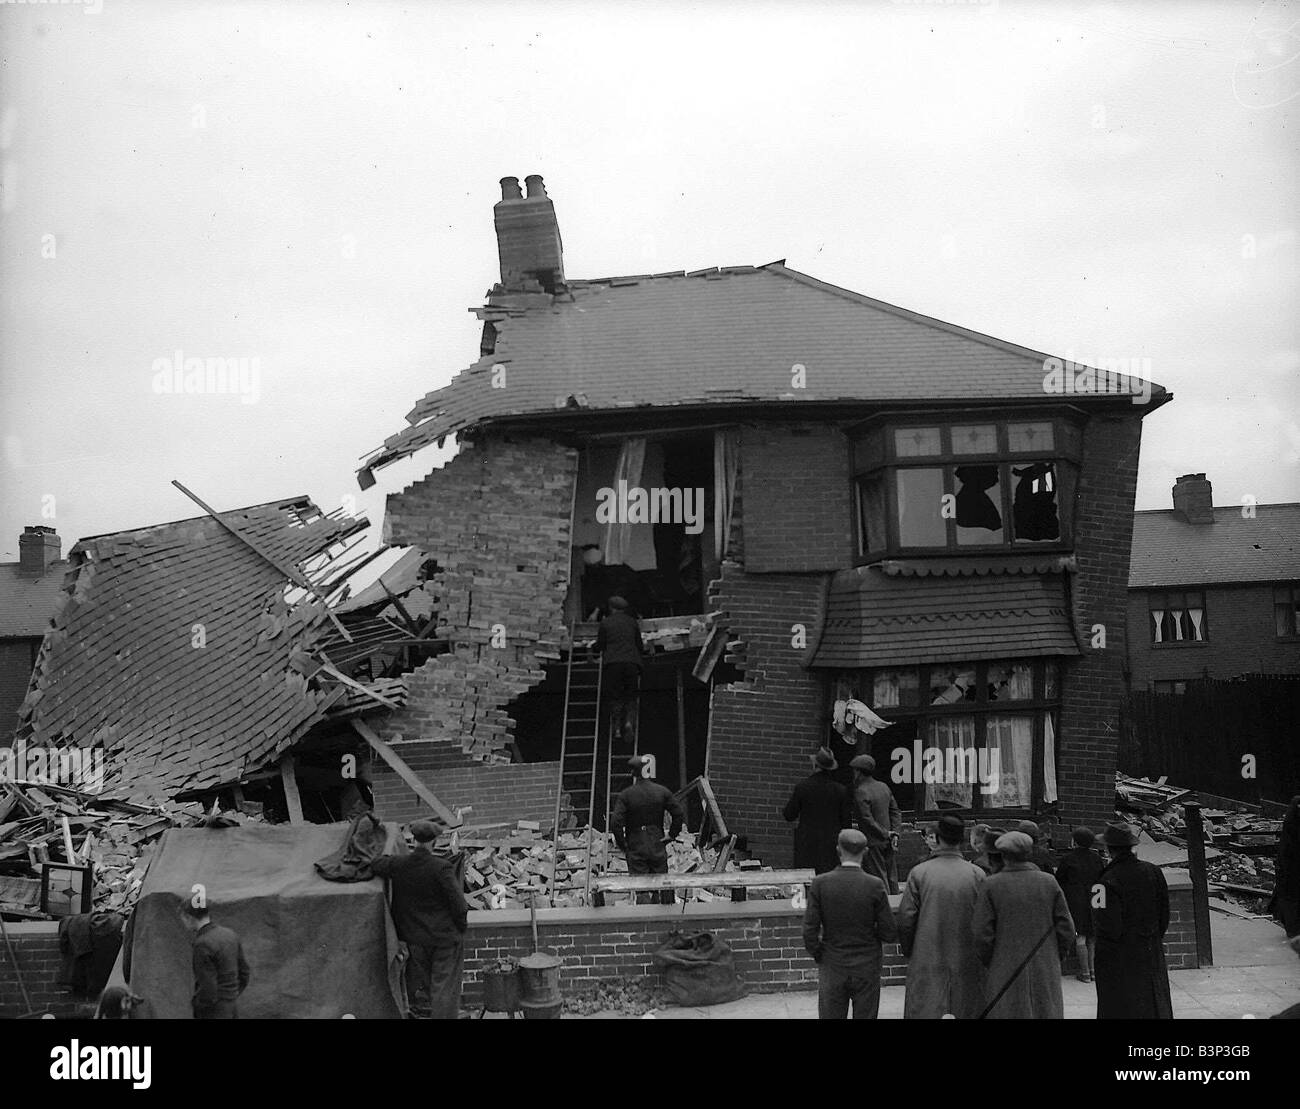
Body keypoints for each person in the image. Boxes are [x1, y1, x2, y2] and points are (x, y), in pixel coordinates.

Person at [372, 818, 469, 1019]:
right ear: (434, 842)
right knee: (444, 991)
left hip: (415, 941)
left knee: (423, 991)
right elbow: (460, 905)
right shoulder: (441, 867)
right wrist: (460, 928)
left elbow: (376, 864)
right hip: (445, 940)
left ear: (413, 839)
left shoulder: (399, 864)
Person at [972, 831, 1075, 1019]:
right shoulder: (1049, 882)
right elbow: (1066, 928)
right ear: (1029, 853)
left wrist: (993, 962)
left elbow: (981, 933)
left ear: (1002, 855)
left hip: (1004, 967)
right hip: (1045, 965)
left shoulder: (991, 885)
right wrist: (1055, 956)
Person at [896, 814, 987, 1019]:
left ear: (937, 838)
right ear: (962, 840)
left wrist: (911, 951)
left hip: (927, 956)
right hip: (967, 958)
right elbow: (985, 922)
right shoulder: (977, 874)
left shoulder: (920, 873)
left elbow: (905, 920)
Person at [802, 828, 899, 1019]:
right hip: (867, 964)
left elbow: (809, 930)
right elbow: (889, 931)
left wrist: (820, 954)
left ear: (838, 849)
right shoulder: (875, 885)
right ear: (866, 852)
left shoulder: (820, 883)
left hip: (832, 962)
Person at [1093, 821, 1173, 1019]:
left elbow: (1104, 925)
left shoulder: (1103, 883)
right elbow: (1164, 914)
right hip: (1150, 949)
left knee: (1119, 1006)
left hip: (1118, 957)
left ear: (1109, 850)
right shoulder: (1154, 871)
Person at [610, 756, 686, 905]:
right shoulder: (661, 792)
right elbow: (678, 814)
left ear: (634, 773)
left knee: (641, 887)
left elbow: (615, 823)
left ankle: (645, 920)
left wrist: (623, 845)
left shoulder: (626, 795)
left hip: (636, 843)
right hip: (657, 841)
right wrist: (671, 835)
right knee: (662, 884)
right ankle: (665, 918)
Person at [782, 747, 853, 874]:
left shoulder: (802, 787)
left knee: (807, 880)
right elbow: (846, 823)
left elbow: (789, 815)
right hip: (832, 845)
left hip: (807, 843)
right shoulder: (840, 790)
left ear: (815, 764)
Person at [182, 901, 250, 1020]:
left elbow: (208, 989)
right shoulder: (230, 935)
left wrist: (198, 1005)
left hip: (212, 1012)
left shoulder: (202, 944)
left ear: (189, 917)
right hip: (231, 1008)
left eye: (183, 919)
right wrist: (230, 996)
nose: (184, 923)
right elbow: (244, 973)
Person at [1055, 826, 1105, 982]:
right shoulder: (1097, 858)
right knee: (1092, 937)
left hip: (1075, 901)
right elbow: (1102, 881)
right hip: (1095, 899)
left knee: (1080, 936)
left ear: (1074, 841)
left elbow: (1059, 880)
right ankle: (1094, 971)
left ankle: (1084, 973)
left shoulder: (1068, 859)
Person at [594, 595, 645, 744]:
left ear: (611, 608)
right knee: (631, 696)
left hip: (613, 664)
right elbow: (640, 646)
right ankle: (629, 723)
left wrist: (592, 647)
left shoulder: (605, 623)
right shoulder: (632, 622)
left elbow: (600, 646)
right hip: (631, 663)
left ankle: (616, 727)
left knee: (615, 696)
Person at [848, 754, 901, 894]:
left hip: (873, 841)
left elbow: (866, 818)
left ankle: (885, 909)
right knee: (892, 877)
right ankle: (895, 906)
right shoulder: (884, 787)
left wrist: (885, 833)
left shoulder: (860, 791)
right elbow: (895, 811)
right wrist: (894, 833)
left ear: (858, 772)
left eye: (854, 771)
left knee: (879, 877)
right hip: (889, 840)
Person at [1268, 794, 1300, 938]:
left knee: (1289, 896)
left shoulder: (1291, 821)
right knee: (1291, 897)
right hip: (1290, 867)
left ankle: (1292, 929)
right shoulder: (1292, 825)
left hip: (1289, 867)